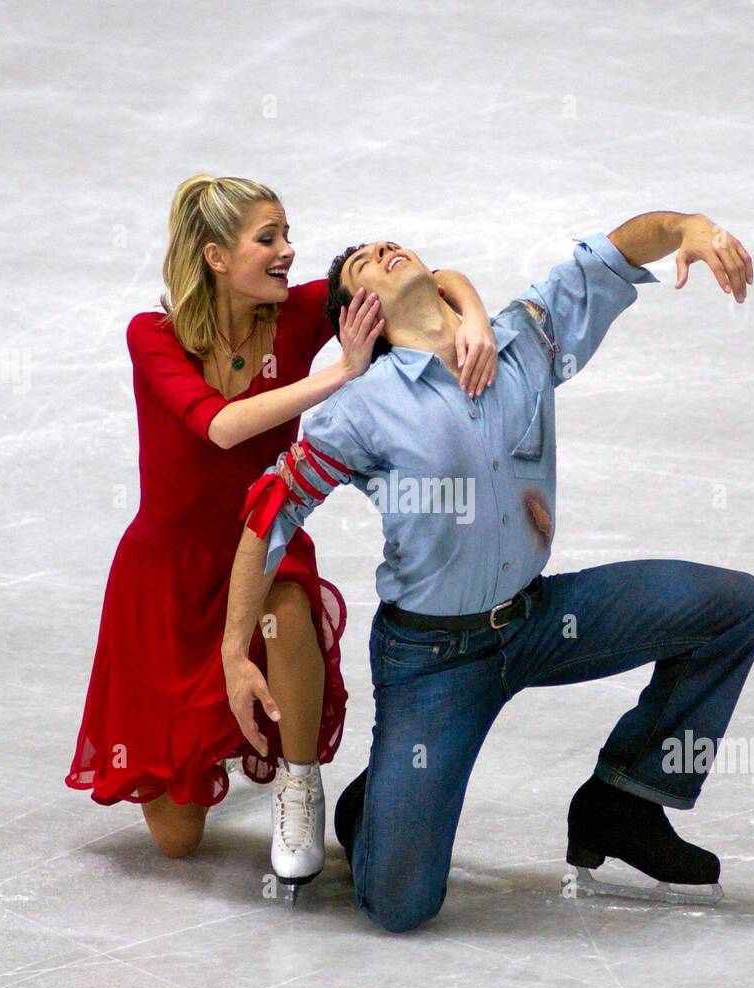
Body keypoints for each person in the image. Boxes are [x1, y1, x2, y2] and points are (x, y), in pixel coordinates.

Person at [222, 210, 754, 932]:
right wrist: (235, 648)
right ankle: (375, 805)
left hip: (542, 619)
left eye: (393, 245)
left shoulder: (522, 339)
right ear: (363, 317)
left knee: (734, 608)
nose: (383, 251)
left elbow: (605, 256)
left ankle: (626, 802)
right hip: (433, 659)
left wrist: (689, 229)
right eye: (364, 265)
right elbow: (271, 510)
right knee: (400, 903)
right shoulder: (363, 408)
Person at [67, 175, 497, 902]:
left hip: (264, 539)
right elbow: (222, 424)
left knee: (287, 607)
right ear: (212, 256)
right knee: (178, 840)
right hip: (166, 574)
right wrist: (342, 373)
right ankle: (234, 731)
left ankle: (299, 786)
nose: (287, 252)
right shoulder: (154, 336)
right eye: (267, 239)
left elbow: (429, 277)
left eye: (286, 234)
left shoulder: (295, 314)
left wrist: (474, 319)